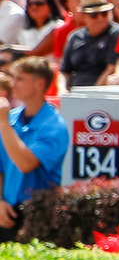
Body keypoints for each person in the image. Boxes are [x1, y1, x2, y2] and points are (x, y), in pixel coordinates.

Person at [0, 57, 68, 241]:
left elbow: (25, 163)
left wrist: (3, 123)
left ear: (39, 83)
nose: (13, 84)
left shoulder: (54, 126)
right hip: (5, 211)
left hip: (38, 214)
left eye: (20, 79)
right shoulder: (10, 118)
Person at [59, 0, 119, 89]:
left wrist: (93, 93)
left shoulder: (116, 34)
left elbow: (111, 69)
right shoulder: (75, 36)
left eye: (104, 13)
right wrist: (63, 92)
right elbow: (64, 71)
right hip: (75, 91)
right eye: (94, 15)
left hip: (101, 93)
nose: (100, 18)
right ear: (84, 16)